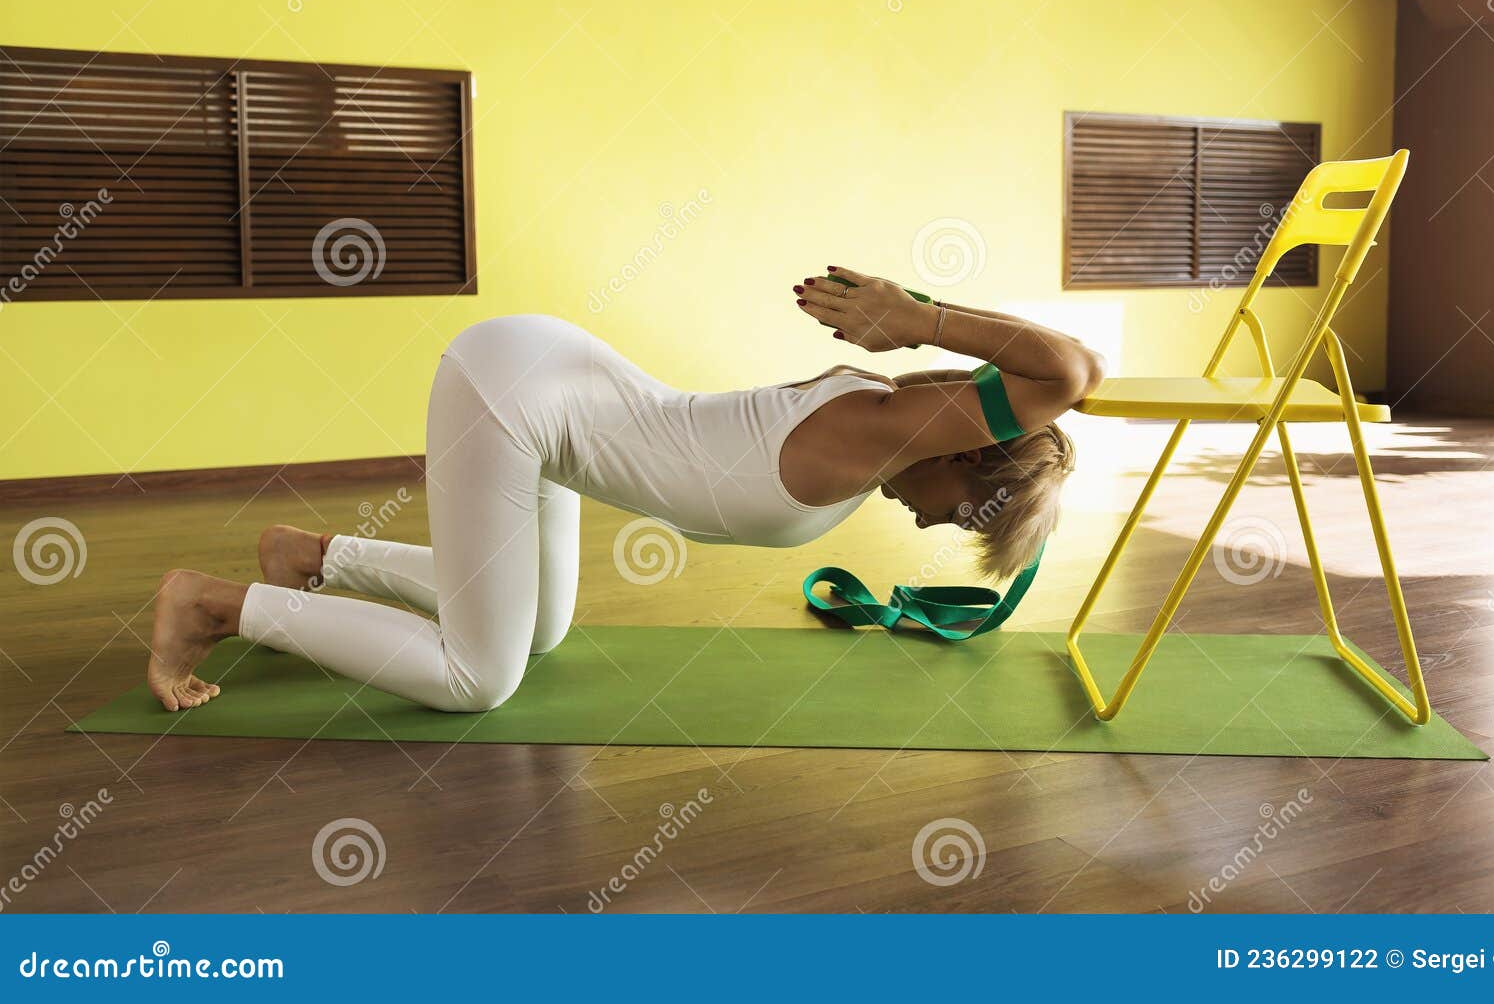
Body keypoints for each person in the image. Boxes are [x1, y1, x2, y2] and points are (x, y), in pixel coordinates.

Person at [146, 266, 1104, 713]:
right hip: (516, 394)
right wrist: (918, 315)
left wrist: (924, 324)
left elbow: (1049, 381)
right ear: (973, 455)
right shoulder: (890, 426)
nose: (937, 523)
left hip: (561, 401)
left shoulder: (890, 430)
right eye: (964, 515)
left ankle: (313, 557)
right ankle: (216, 607)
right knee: (478, 679)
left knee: (540, 632)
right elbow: (1067, 371)